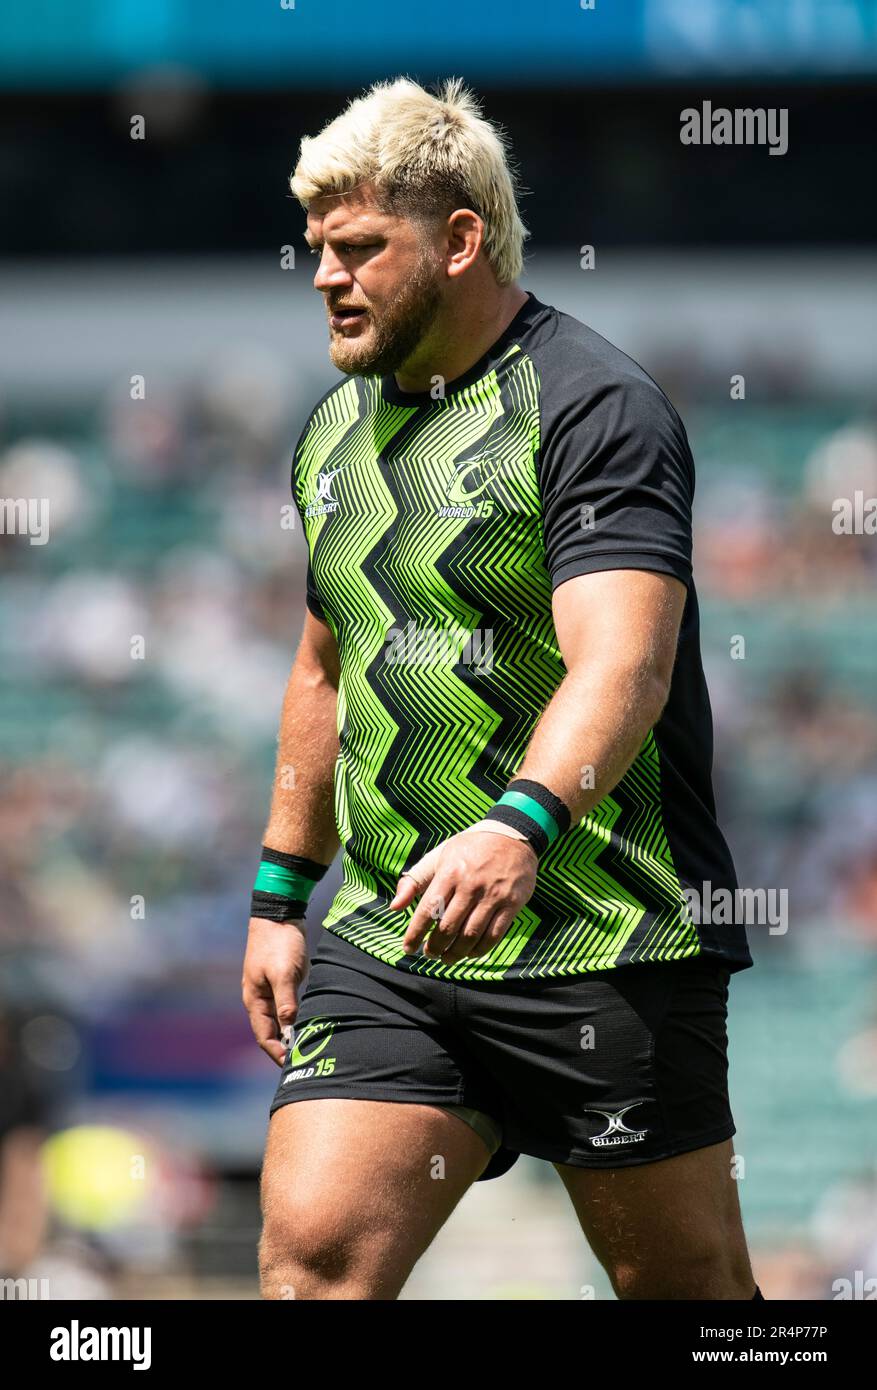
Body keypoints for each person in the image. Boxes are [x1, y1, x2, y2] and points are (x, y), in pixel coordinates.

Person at [243, 76, 762, 1301]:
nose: (326, 275)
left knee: (686, 1295)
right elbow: (325, 664)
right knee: (312, 1266)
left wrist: (519, 825)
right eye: (318, 249)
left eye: (361, 248)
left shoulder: (593, 405)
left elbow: (621, 663)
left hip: (610, 931)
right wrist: (279, 890)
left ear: (461, 239)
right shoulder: (332, 430)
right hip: (396, 935)